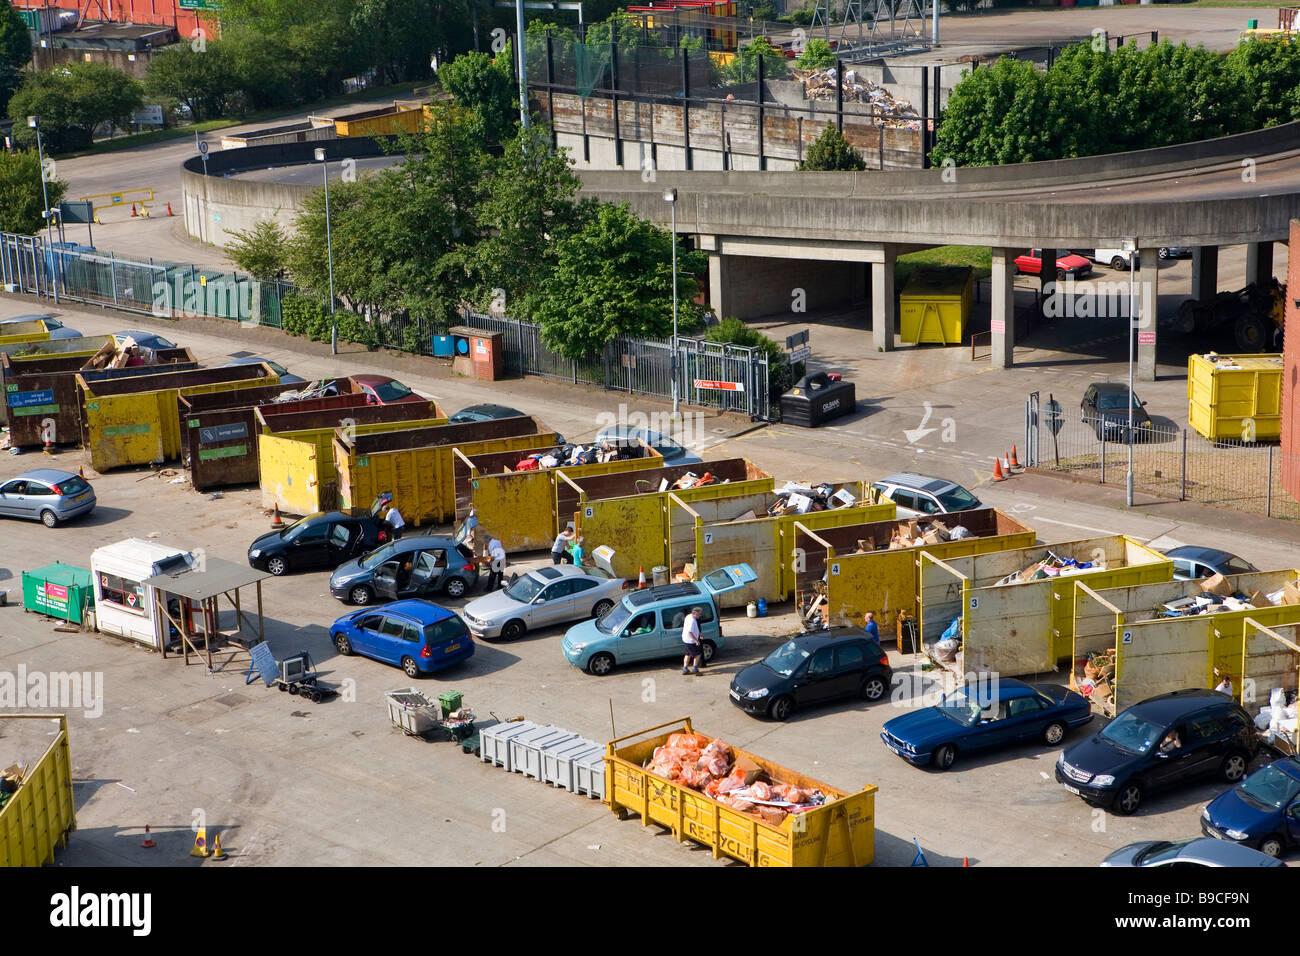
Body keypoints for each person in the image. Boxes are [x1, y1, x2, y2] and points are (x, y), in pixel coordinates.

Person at [681, 606, 703, 675]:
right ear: (695, 613)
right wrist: (696, 640)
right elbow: (690, 632)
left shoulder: (689, 616)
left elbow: (694, 629)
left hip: (686, 640)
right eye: (699, 614)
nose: (700, 615)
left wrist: (699, 633)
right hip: (691, 641)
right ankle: (695, 669)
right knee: (698, 654)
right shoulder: (692, 621)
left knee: (688, 654)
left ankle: (685, 669)